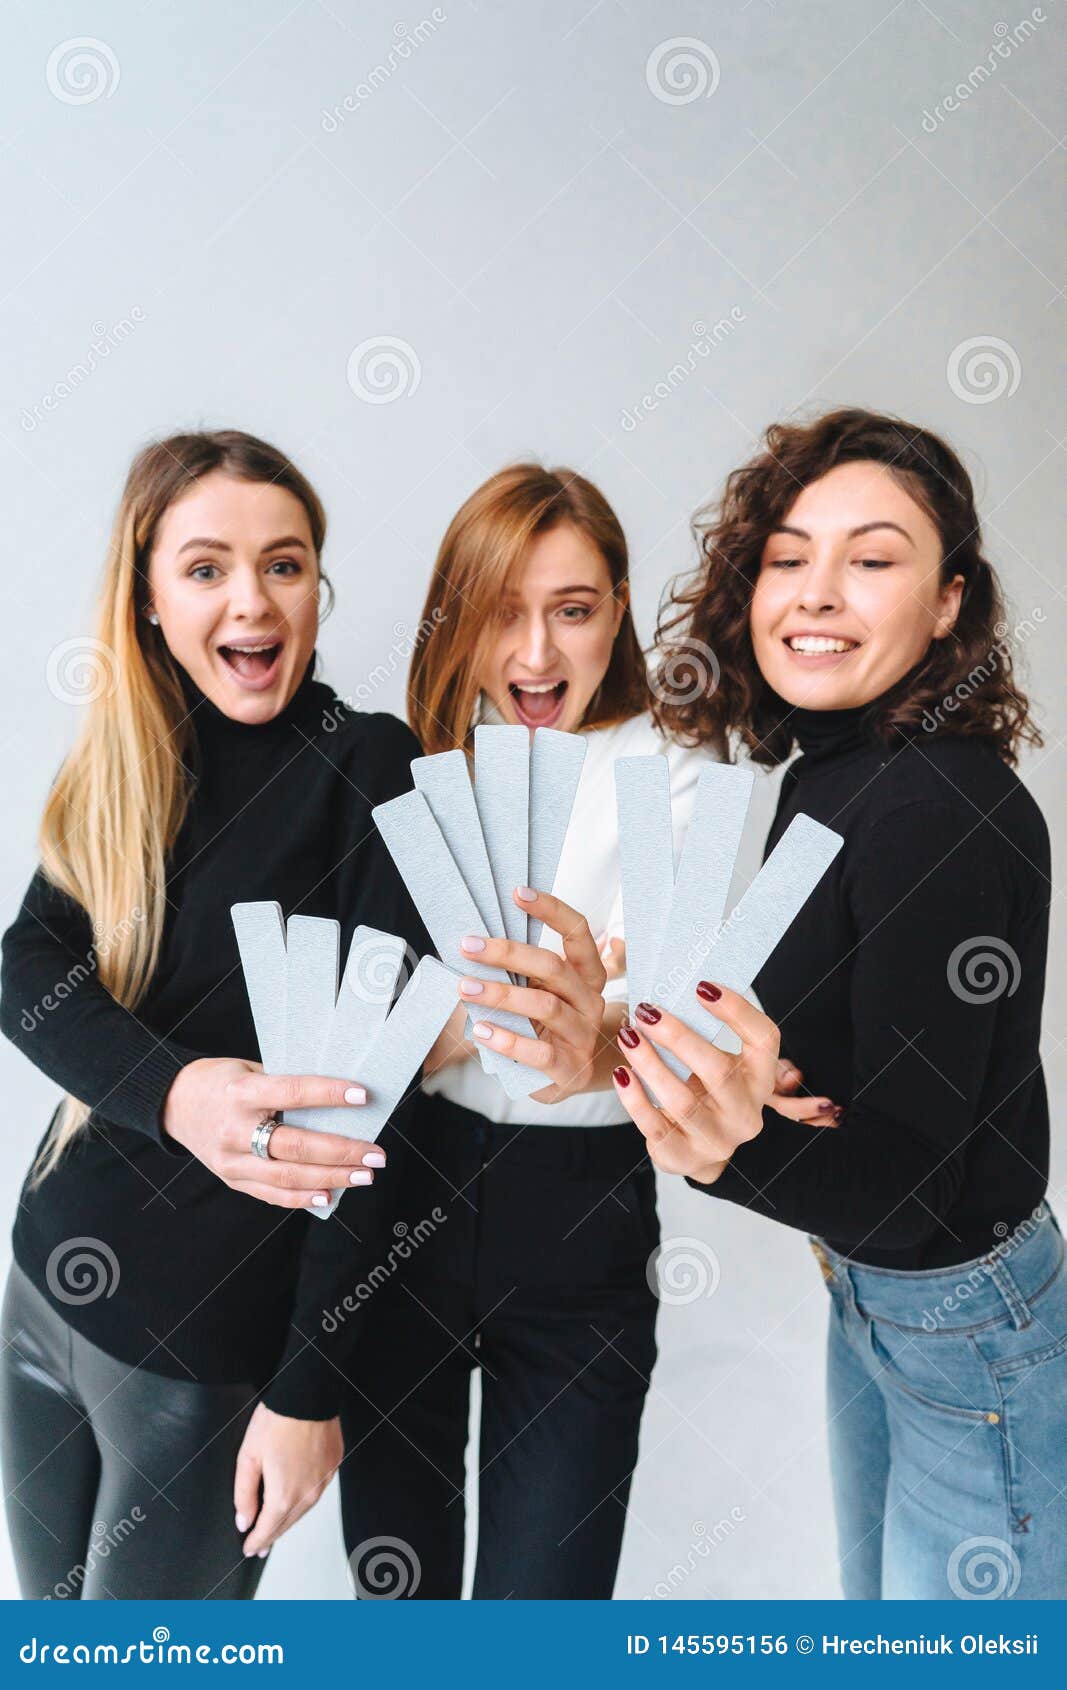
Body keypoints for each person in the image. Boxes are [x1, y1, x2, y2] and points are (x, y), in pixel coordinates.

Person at [608, 408, 1063, 1600]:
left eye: (870, 559)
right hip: (882, 1300)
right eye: (785, 557)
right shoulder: (838, 774)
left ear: (948, 600)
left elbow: (907, 1189)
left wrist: (724, 1147)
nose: (815, 593)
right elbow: (853, 1094)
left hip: (964, 1320)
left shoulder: (934, 808)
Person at [0, 430, 434, 1598]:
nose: (252, 599)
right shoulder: (142, 751)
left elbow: (378, 1121)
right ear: (147, 597)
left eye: (284, 564)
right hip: (41, 1290)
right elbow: (26, 964)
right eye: (205, 568)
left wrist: (307, 1390)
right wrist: (177, 1094)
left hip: (198, 1362)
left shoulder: (369, 772)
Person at [336, 463, 714, 1599]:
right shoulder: (402, 768)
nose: (539, 654)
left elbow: (675, 1024)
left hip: (582, 1211)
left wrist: (479, 1018)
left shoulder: (676, 782)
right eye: (505, 610)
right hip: (402, 1196)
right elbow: (341, 1034)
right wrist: (544, 1010)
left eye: (575, 608)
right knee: (392, 1605)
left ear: (617, 610)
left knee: (541, 1622)